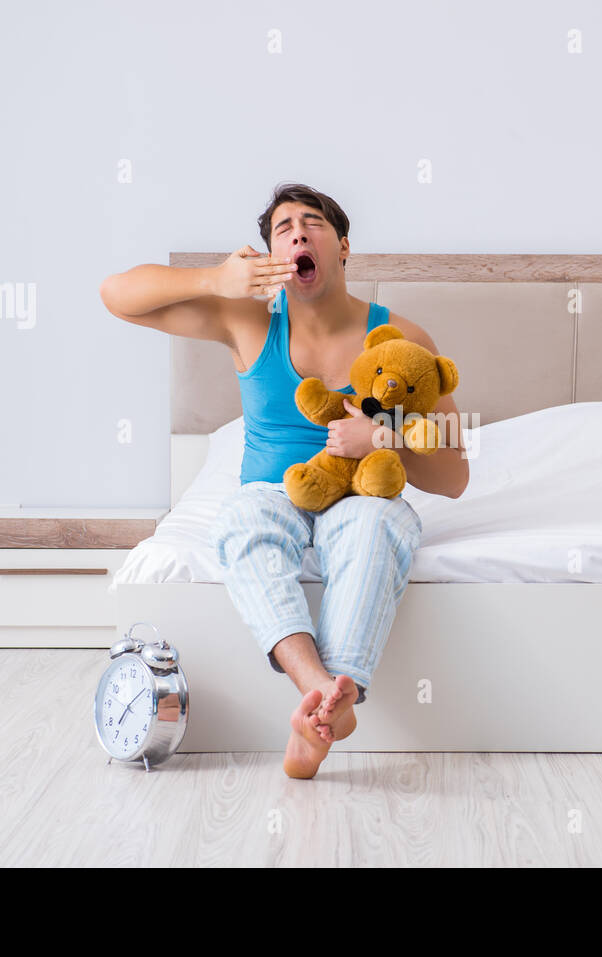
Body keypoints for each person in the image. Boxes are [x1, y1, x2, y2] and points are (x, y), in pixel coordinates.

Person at [99, 183, 469, 777]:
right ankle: (325, 692)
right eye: (282, 227)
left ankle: (319, 711)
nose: (297, 232)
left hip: (364, 492)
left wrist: (385, 438)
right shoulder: (248, 321)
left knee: (375, 526)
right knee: (243, 522)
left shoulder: (403, 342)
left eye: (313, 222)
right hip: (272, 491)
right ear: (273, 254)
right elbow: (115, 294)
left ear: (343, 246)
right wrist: (212, 280)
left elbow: (454, 475)